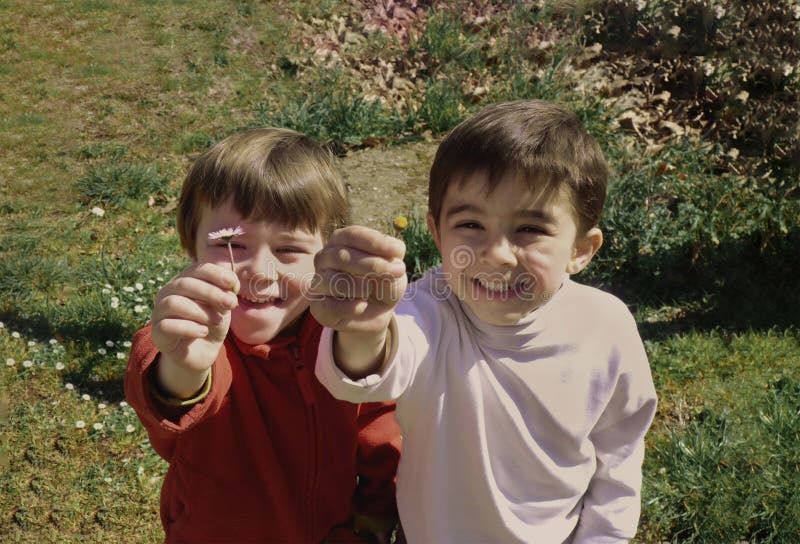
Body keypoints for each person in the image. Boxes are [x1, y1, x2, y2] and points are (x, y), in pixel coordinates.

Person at [312, 100, 658, 543]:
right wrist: (363, 329)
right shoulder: (428, 311)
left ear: (581, 249)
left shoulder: (606, 328)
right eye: (471, 224)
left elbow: (619, 450)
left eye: (529, 229)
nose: (496, 254)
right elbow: (374, 366)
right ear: (436, 233)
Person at [124, 127, 401, 544]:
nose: (260, 270)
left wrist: (377, 508)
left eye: (288, 250)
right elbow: (164, 400)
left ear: (325, 257)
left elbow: (377, 421)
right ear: (191, 244)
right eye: (230, 244)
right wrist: (182, 365)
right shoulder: (193, 334)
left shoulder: (338, 338)